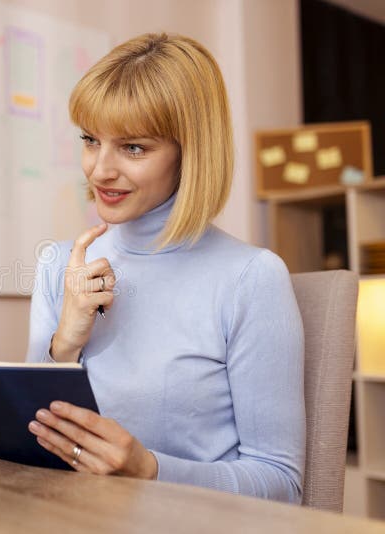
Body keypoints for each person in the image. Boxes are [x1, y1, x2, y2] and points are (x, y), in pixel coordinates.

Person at [25, 33, 305, 504]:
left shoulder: (252, 278)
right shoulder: (59, 264)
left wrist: (149, 470)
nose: (99, 170)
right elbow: (29, 445)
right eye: (90, 140)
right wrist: (64, 344)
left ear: (190, 153)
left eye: (133, 148)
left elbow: (282, 484)